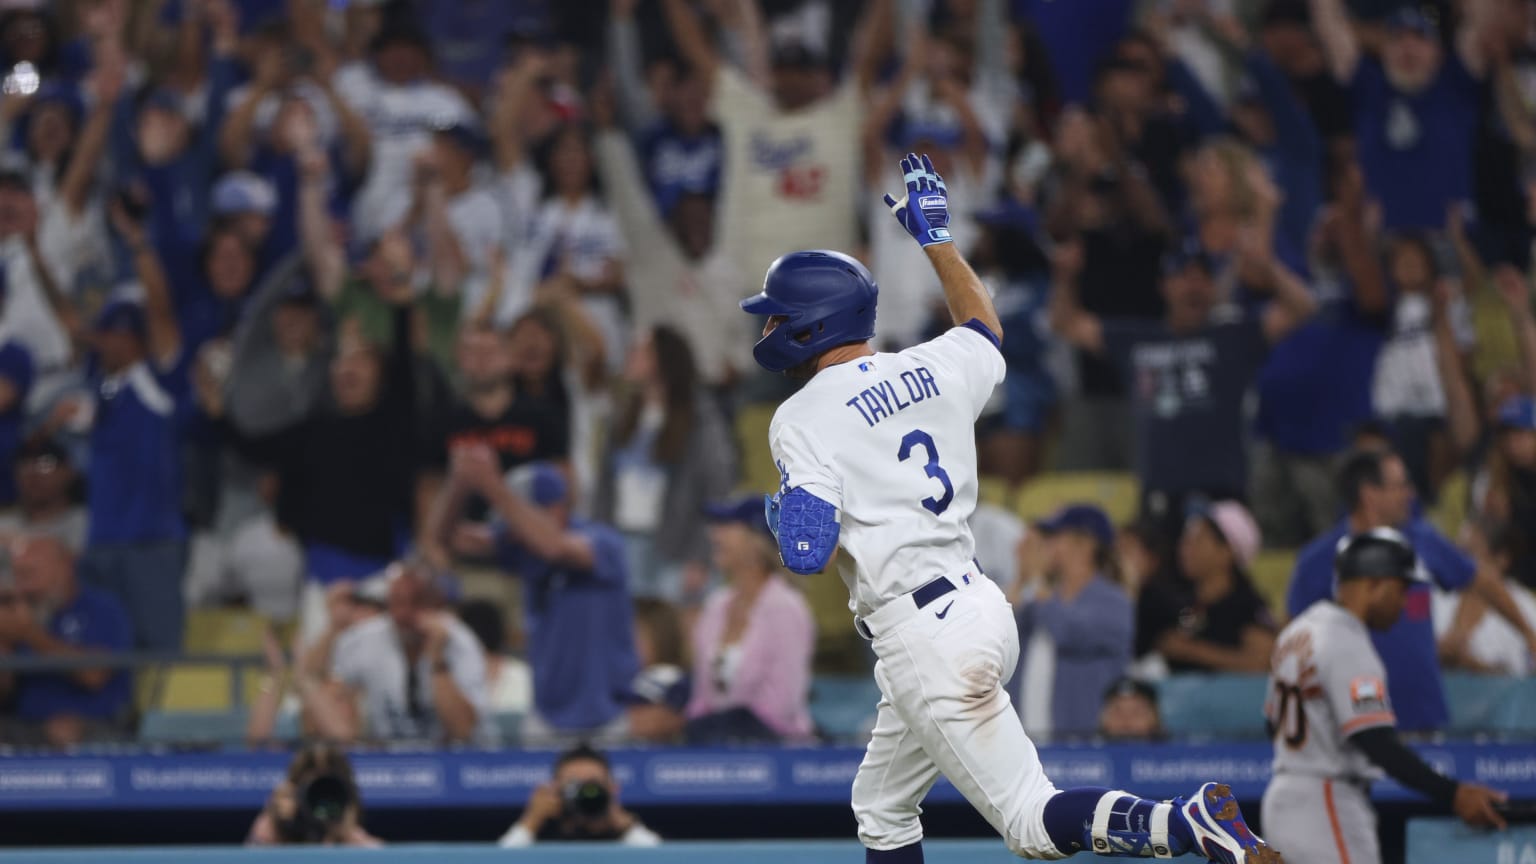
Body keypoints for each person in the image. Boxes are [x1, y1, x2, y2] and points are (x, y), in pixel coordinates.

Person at [748, 152, 1278, 863]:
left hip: (920, 631)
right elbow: (984, 330)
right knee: (881, 805)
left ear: (807, 325)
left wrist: (779, 516)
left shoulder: (801, 416)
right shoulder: (928, 364)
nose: (764, 329)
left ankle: (1183, 824)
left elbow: (808, 555)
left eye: (775, 316)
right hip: (979, 606)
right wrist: (938, 243)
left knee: (1031, 823)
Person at [1262, 530, 1510, 864]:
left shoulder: (1295, 633)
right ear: (1373, 584)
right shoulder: (1347, 642)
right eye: (1401, 588)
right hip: (1326, 804)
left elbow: (1271, 723)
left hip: (1281, 801)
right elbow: (1376, 741)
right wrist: (1453, 793)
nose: (1404, 602)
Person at [1051, 233, 1316, 539]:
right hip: (1159, 498)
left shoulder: (1234, 338)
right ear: (1164, 286)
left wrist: (1267, 266)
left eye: (1203, 277)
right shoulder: (1135, 341)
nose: (1194, 286)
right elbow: (1065, 323)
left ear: (1214, 288)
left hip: (1222, 499)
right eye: (1184, 276)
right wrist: (1065, 276)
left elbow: (1302, 307)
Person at [1288, 448, 1536, 730]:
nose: (1411, 494)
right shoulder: (1318, 562)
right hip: (1348, 725)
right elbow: (1294, 639)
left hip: (1420, 717)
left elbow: (1482, 581)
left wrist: (1528, 633)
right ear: (1370, 494)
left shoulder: (1423, 541)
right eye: (1400, 486)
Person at [431, 455, 639, 745]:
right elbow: (445, 540)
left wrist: (494, 487)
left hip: (608, 714)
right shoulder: (523, 548)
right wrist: (459, 485)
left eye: (516, 515)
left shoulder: (603, 542)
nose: (510, 529)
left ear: (553, 511)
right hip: (546, 715)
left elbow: (555, 547)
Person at [597, 325, 735, 603]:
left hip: (676, 549)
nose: (631, 355)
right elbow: (605, 485)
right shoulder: (623, 415)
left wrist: (701, 554)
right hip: (623, 541)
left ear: (663, 359)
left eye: (642, 351)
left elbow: (716, 488)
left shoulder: (700, 418)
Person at [304, 564, 496, 745]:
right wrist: (333, 629)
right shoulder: (367, 638)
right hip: (385, 760)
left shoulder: (460, 642)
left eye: (416, 602)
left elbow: (463, 730)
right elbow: (314, 690)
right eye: (397, 602)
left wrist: (438, 660)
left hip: (455, 762)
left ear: (434, 604)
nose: (404, 613)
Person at [686, 496, 815, 744]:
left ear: (756, 540)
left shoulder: (785, 608)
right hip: (715, 749)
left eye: (727, 526)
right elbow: (702, 694)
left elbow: (783, 702)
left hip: (777, 752)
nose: (715, 535)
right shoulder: (716, 605)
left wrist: (731, 731)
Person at [0, 534, 132, 747]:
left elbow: (94, 675)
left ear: (64, 568)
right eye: (17, 576)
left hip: (93, 724)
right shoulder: (19, 612)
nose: (22, 587)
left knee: (63, 731)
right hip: (22, 725)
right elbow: (5, 692)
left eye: (29, 574)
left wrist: (29, 634)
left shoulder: (103, 609)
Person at [1014, 504, 1133, 739]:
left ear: (1085, 544)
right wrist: (1022, 577)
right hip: (1029, 743)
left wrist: (1037, 581)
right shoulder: (1039, 600)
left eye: (1055, 538)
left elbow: (1069, 632)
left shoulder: (1114, 601)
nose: (1045, 547)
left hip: (1089, 748)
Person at [1142, 501, 1276, 674]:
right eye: (1186, 539)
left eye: (1198, 540)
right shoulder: (1183, 602)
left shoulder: (1247, 606)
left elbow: (1262, 662)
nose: (1185, 548)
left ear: (1228, 551)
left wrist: (1192, 651)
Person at [498, 744, 660, 847]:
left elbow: (665, 858)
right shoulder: (536, 838)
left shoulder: (628, 840)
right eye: (574, 784)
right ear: (555, 788)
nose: (585, 793)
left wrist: (625, 826)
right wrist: (531, 821)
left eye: (593, 785)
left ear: (612, 788)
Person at [247, 743, 382, 847]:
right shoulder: (273, 826)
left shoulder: (351, 839)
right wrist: (278, 823)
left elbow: (382, 854)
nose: (322, 805)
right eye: (314, 791)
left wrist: (344, 835)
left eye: (328, 793)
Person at [0, 437, 86, 553]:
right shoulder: (4, 525)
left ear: (68, 472)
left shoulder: (85, 525)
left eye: (46, 464)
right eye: (25, 464)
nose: (33, 473)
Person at [1098, 677, 1164, 742]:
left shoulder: (1171, 750)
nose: (1126, 719)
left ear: (1154, 718)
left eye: (1137, 712)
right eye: (1118, 712)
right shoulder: (1090, 750)